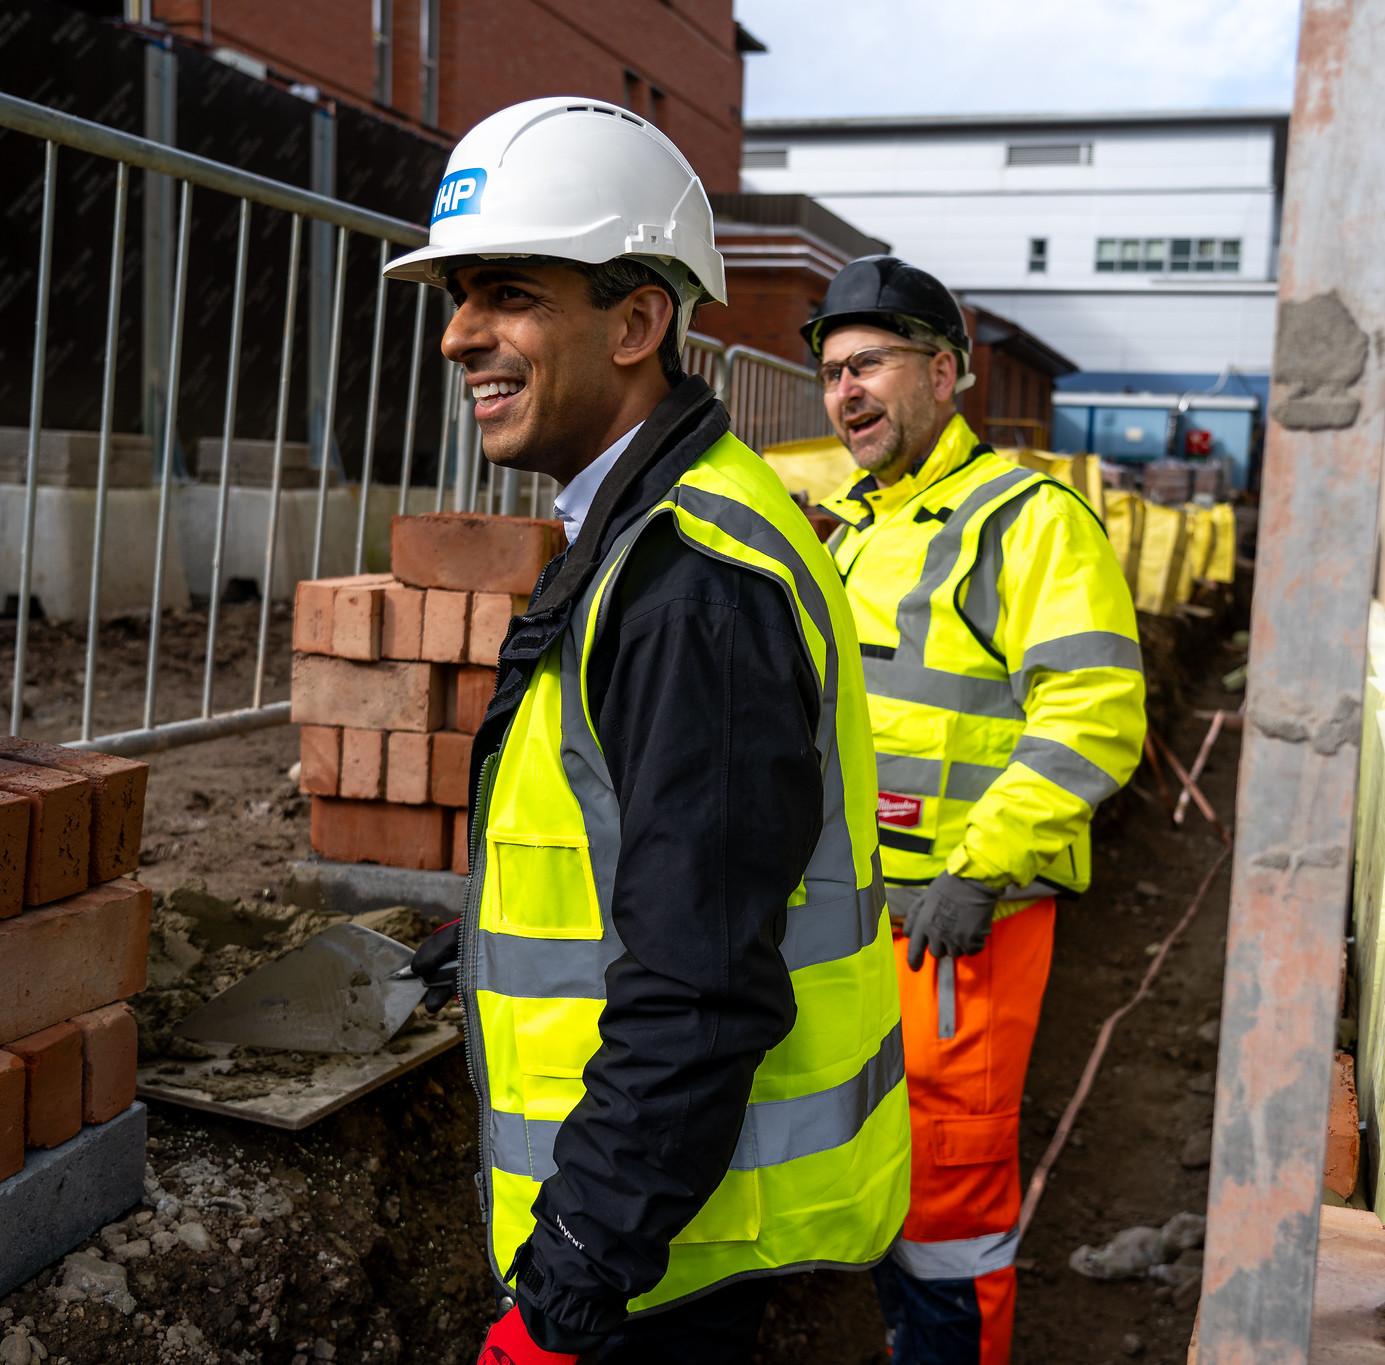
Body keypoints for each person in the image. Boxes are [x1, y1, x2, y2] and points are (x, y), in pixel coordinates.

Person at [390, 101, 910, 1365]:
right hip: (668, 1234)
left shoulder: (691, 586)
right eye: (458, 297)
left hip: (674, 1267)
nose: (460, 334)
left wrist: (567, 1289)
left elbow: (698, 984)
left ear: (635, 324)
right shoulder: (648, 533)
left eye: (505, 292)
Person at [804, 257, 1146, 1364]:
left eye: (867, 365)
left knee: (949, 1201)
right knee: (879, 1177)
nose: (844, 393)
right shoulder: (856, 531)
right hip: (858, 923)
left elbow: (1092, 714)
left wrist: (979, 866)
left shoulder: (1028, 521)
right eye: (829, 374)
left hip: (961, 926)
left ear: (943, 373)